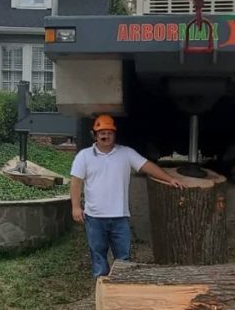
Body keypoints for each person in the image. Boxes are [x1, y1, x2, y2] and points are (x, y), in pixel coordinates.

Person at [70, 114, 186, 277]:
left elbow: (147, 166)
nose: (105, 136)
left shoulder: (126, 153)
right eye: (101, 132)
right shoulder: (84, 156)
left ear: (115, 134)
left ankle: (122, 286)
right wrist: (76, 207)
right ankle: (102, 288)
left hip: (120, 217)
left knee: (123, 258)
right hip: (94, 217)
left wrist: (170, 178)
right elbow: (76, 181)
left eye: (109, 132)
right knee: (98, 257)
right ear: (95, 135)